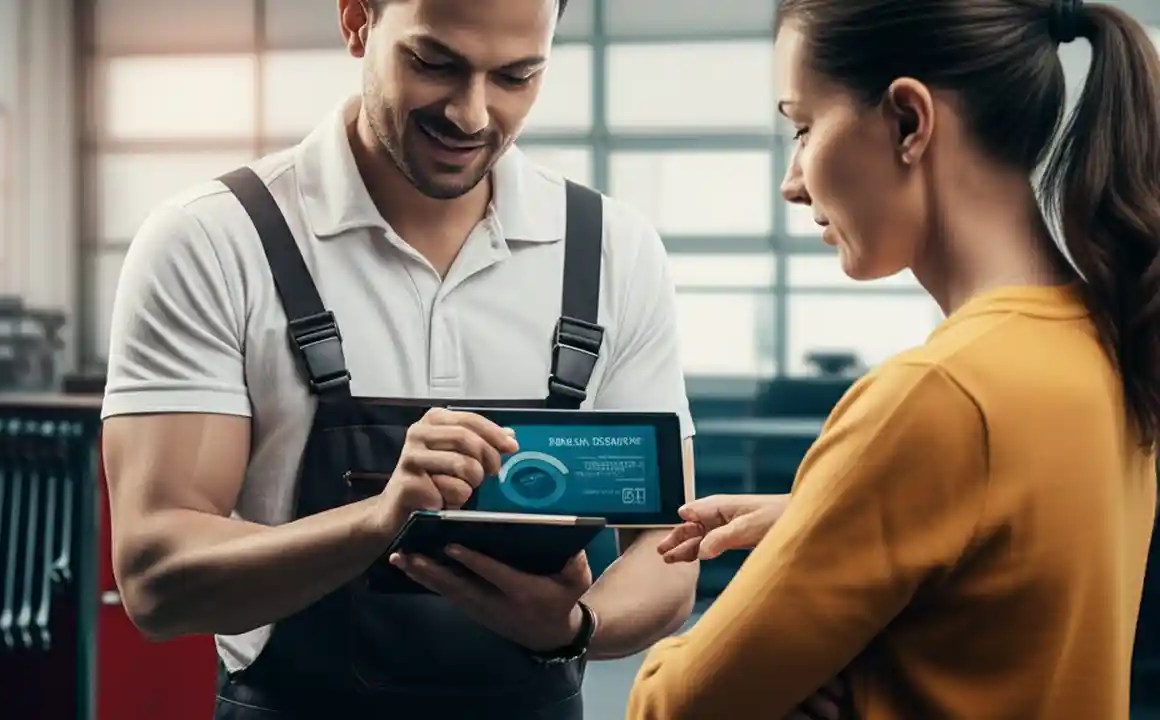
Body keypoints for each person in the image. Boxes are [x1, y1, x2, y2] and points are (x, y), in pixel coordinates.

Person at [98, 0, 706, 717]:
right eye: (434, 63)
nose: (472, 114)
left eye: (517, 76)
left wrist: (573, 628)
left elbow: (668, 547)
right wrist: (379, 520)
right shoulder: (210, 241)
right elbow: (156, 578)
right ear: (357, 21)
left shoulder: (611, 250)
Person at [627, 0, 1160, 718]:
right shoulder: (1102, 341)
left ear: (908, 122)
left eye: (804, 127)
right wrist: (826, 519)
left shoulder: (937, 395)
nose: (793, 180)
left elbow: (672, 707)